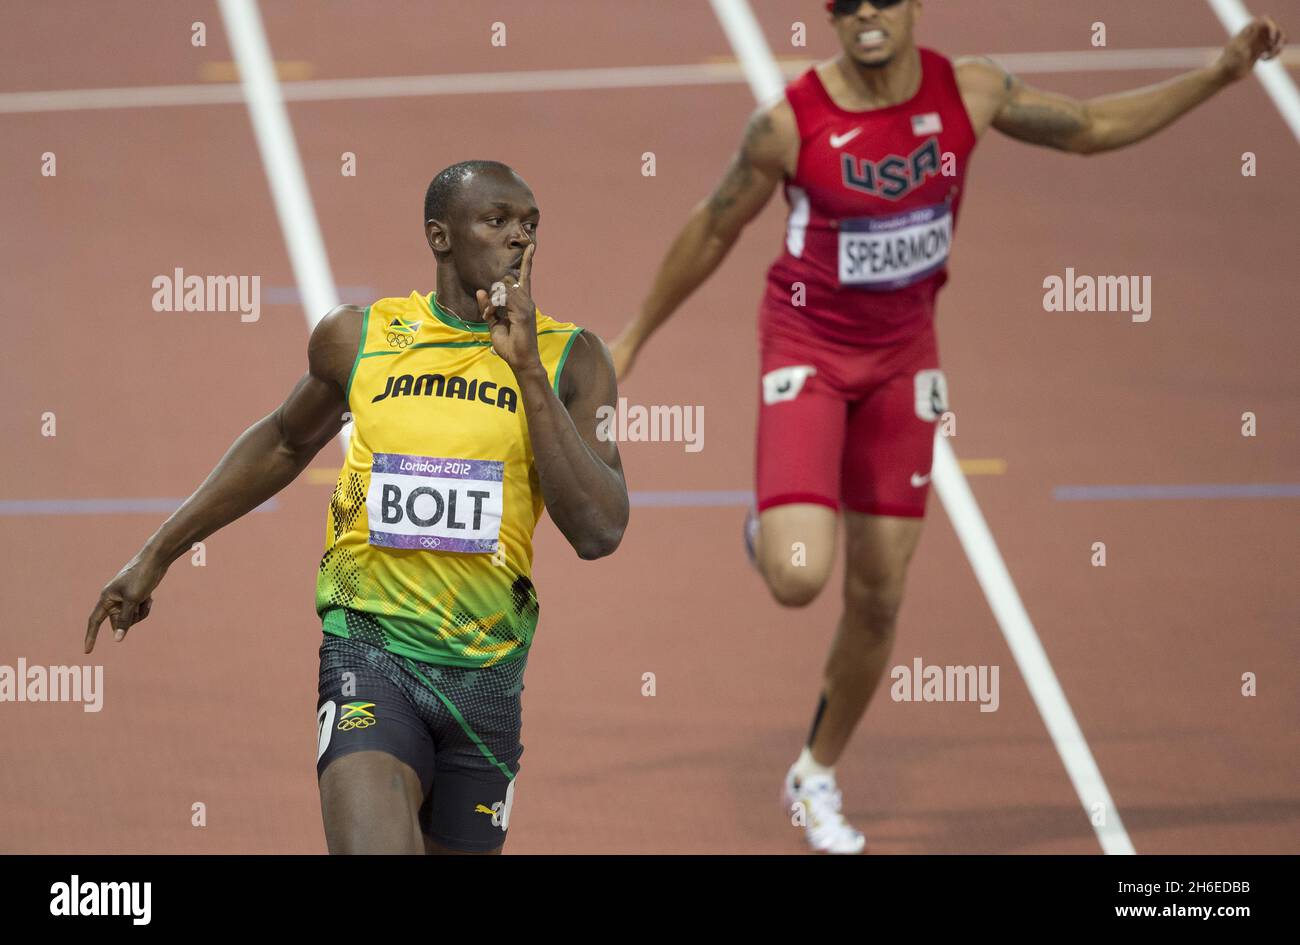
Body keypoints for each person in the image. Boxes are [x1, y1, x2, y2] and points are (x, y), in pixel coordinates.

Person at [611, 0, 1286, 853]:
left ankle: (815, 773)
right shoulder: (788, 125)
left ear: (912, 6)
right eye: (845, 2)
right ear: (829, 15)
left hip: (904, 361)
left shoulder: (970, 91)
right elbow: (714, 226)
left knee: (879, 593)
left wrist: (1219, 75)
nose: (864, 15)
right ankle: (771, 525)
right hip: (809, 349)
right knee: (795, 575)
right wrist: (632, 338)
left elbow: (1091, 126)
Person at [86, 160, 629, 854]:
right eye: (497, 221)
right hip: (371, 652)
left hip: (487, 679)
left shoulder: (572, 360)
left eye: (530, 225)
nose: (519, 239)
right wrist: (156, 552)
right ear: (440, 236)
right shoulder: (362, 337)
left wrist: (525, 370)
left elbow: (600, 530)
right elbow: (284, 440)